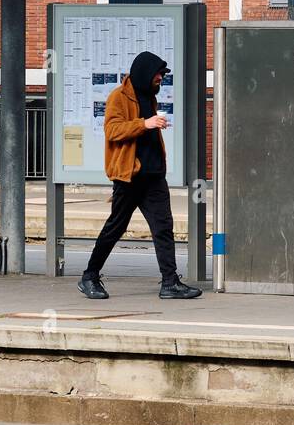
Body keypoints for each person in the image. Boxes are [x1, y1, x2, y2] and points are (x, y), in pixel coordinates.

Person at [78, 51, 202, 301]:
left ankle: (170, 282)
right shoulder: (118, 97)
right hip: (129, 176)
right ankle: (89, 276)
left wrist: (152, 125)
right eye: (158, 74)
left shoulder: (149, 96)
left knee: (163, 228)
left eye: (162, 75)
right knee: (116, 227)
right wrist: (144, 124)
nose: (160, 78)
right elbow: (112, 130)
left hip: (154, 176)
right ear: (145, 73)